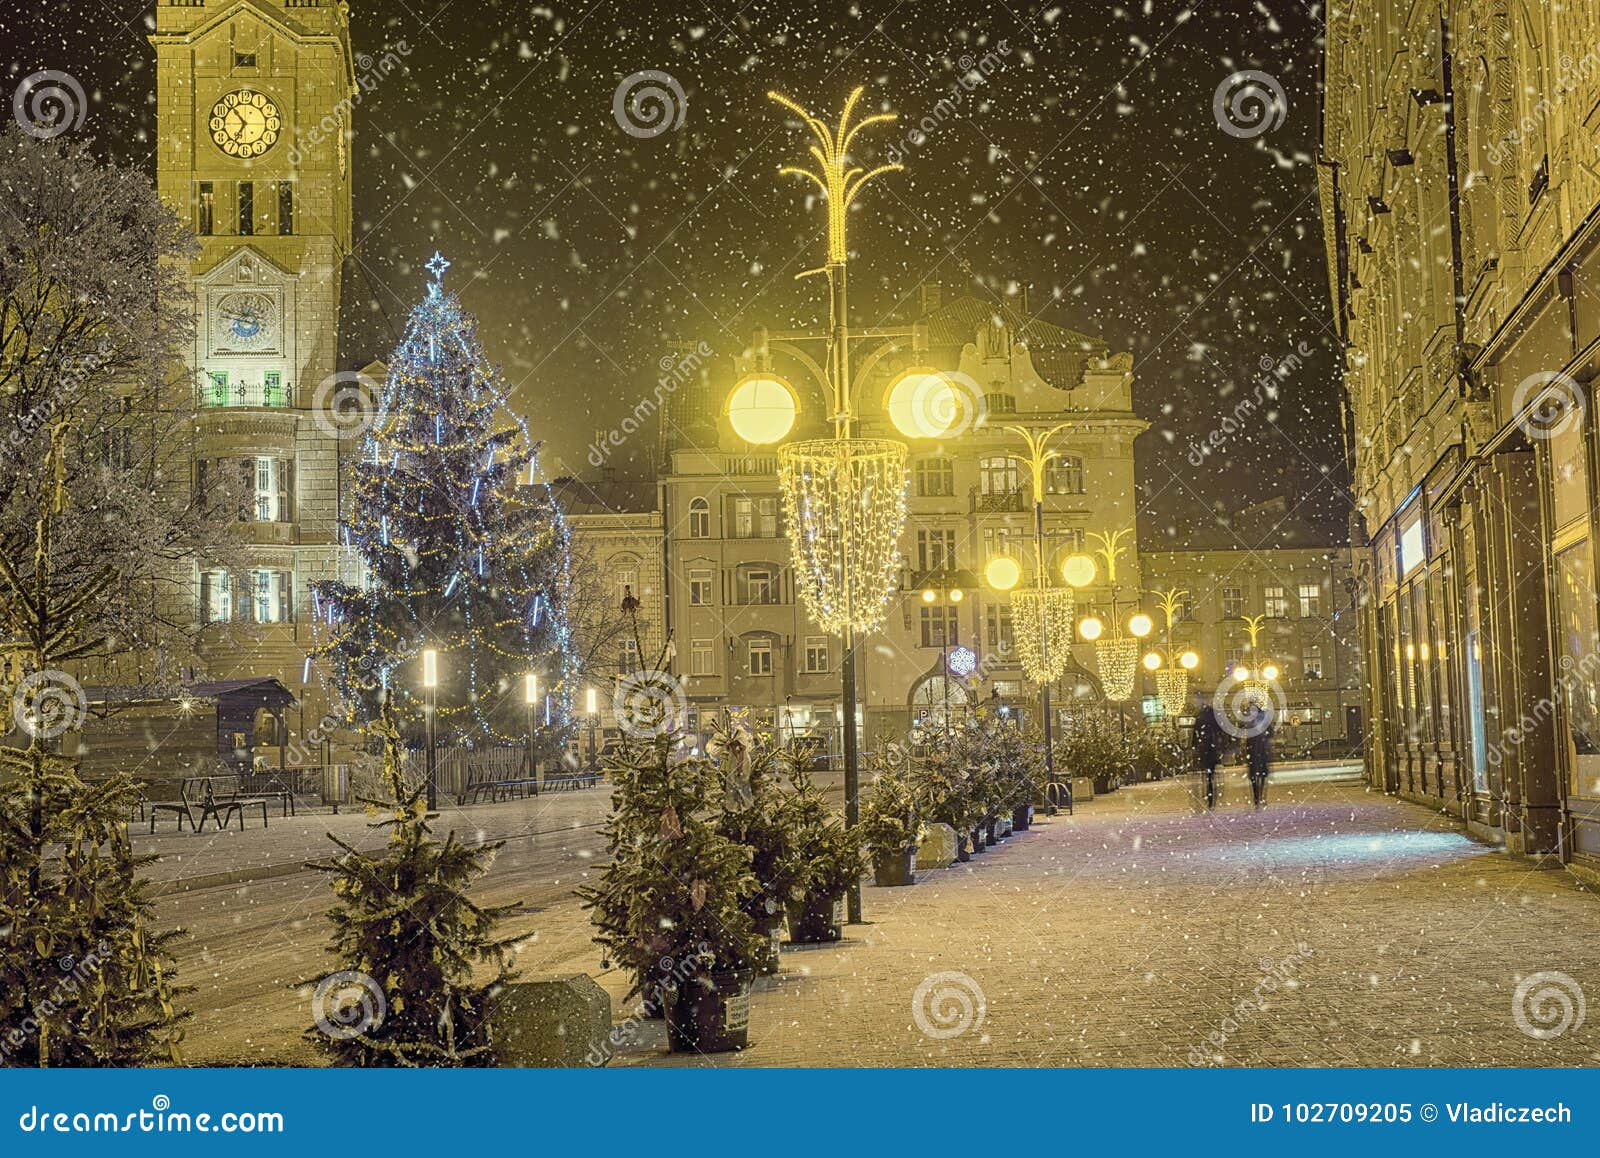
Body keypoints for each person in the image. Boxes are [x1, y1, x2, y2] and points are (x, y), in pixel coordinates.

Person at [1191, 692, 1225, 810]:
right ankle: (1210, 796)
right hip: (1210, 748)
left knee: (1207, 774)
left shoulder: (1202, 715)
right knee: (1209, 774)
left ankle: (1209, 795)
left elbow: (1195, 734)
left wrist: (1194, 745)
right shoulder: (1211, 715)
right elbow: (1220, 731)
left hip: (1206, 748)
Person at [1244, 703, 1274, 809]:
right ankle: (1258, 797)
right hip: (1258, 753)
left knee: (1258, 777)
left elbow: (1270, 733)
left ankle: (1258, 797)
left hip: (1258, 753)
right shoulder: (1254, 723)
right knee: (1258, 777)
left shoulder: (1257, 723)